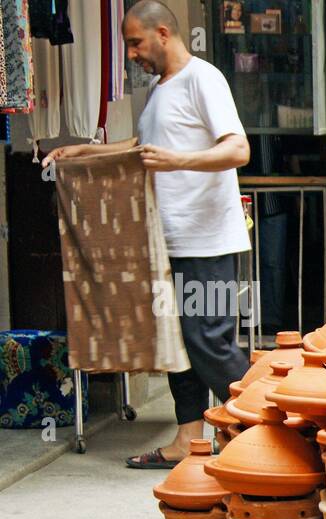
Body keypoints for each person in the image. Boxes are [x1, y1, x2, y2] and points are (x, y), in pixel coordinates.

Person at [43, 0, 251, 469]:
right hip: (167, 244)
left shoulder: (204, 78)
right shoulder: (160, 91)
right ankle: (187, 440)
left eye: (134, 42)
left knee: (210, 344)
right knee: (180, 346)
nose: (131, 53)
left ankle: (264, 429)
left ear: (162, 33)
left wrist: (179, 161)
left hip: (208, 241)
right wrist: (84, 151)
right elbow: (143, 148)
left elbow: (238, 149)